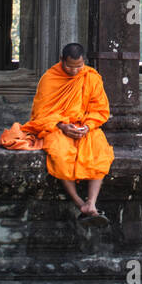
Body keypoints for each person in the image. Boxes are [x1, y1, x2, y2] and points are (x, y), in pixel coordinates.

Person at [24, 42, 114, 222]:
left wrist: (87, 126)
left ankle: (92, 203)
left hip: (85, 126)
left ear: (84, 62)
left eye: (79, 67)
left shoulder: (91, 77)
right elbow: (40, 114)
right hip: (57, 127)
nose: (74, 71)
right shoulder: (49, 78)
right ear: (61, 61)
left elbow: (100, 110)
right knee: (59, 153)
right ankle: (79, 201)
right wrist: (62, 126)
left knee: (99, 150)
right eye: (69, 66)